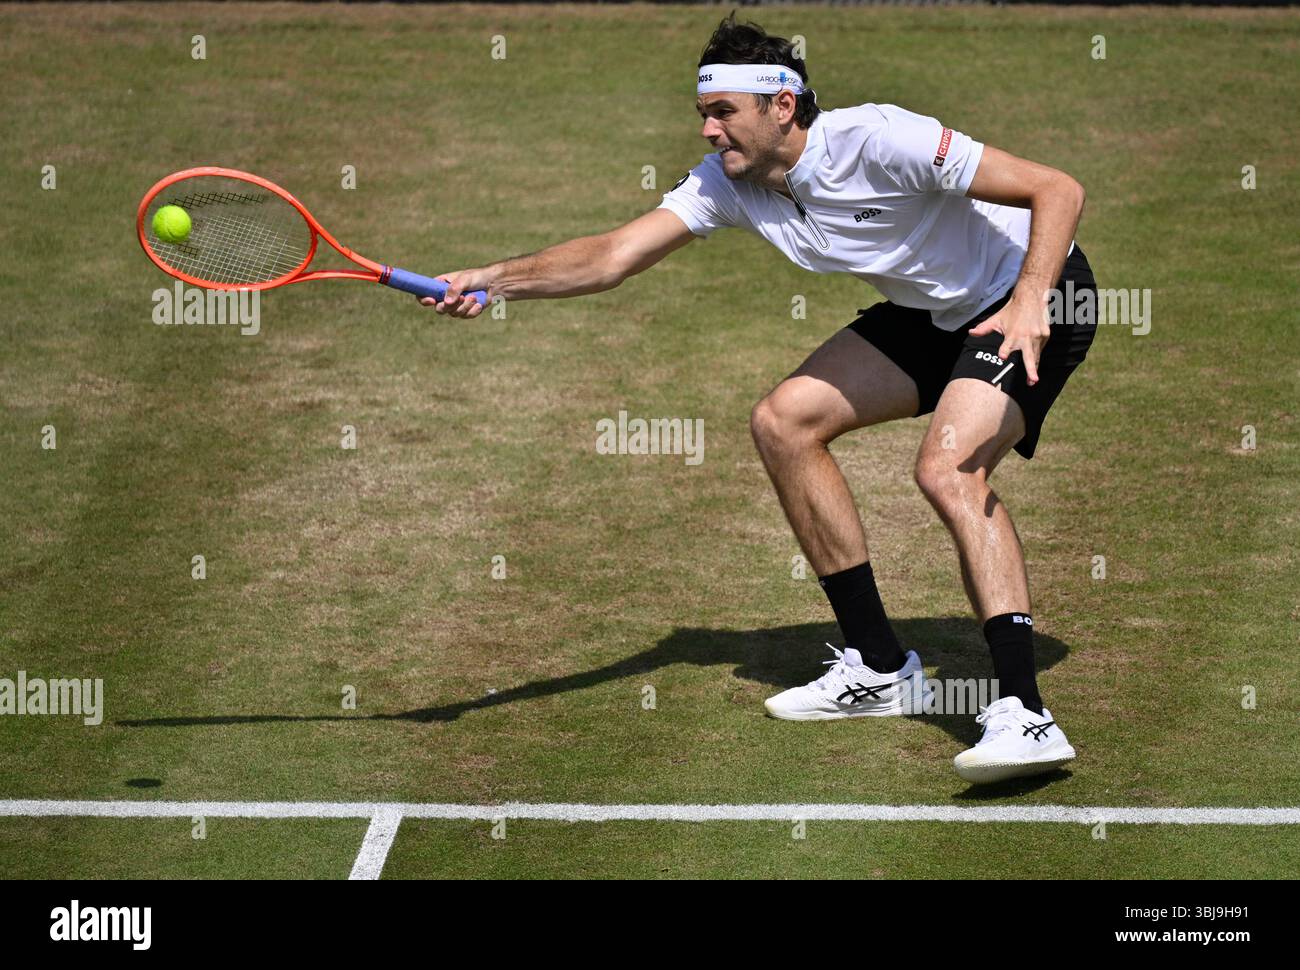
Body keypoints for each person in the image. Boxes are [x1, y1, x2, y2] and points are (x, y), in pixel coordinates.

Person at [423, 14, 1095, 784]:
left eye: (722, 114)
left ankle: (1026, 714)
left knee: (948, 471)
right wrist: (491, 280)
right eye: (703, 116)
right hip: (930, 309)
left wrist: (1033, 300)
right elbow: (613, 257)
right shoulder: (731, 184)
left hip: (1033, 293)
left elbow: (1057, 188)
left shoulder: (880, 139)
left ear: (782, 107)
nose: (709, 132)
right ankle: (879, 666)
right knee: (784, 423)